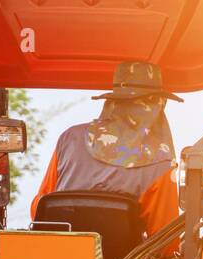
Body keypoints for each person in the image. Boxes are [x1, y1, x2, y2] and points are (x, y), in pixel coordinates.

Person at [30, 61, 181, 241]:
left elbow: (39, 209)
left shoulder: (70, 138)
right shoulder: (161, 162)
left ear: (112, 101)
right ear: (158, 104)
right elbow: (164, 240)